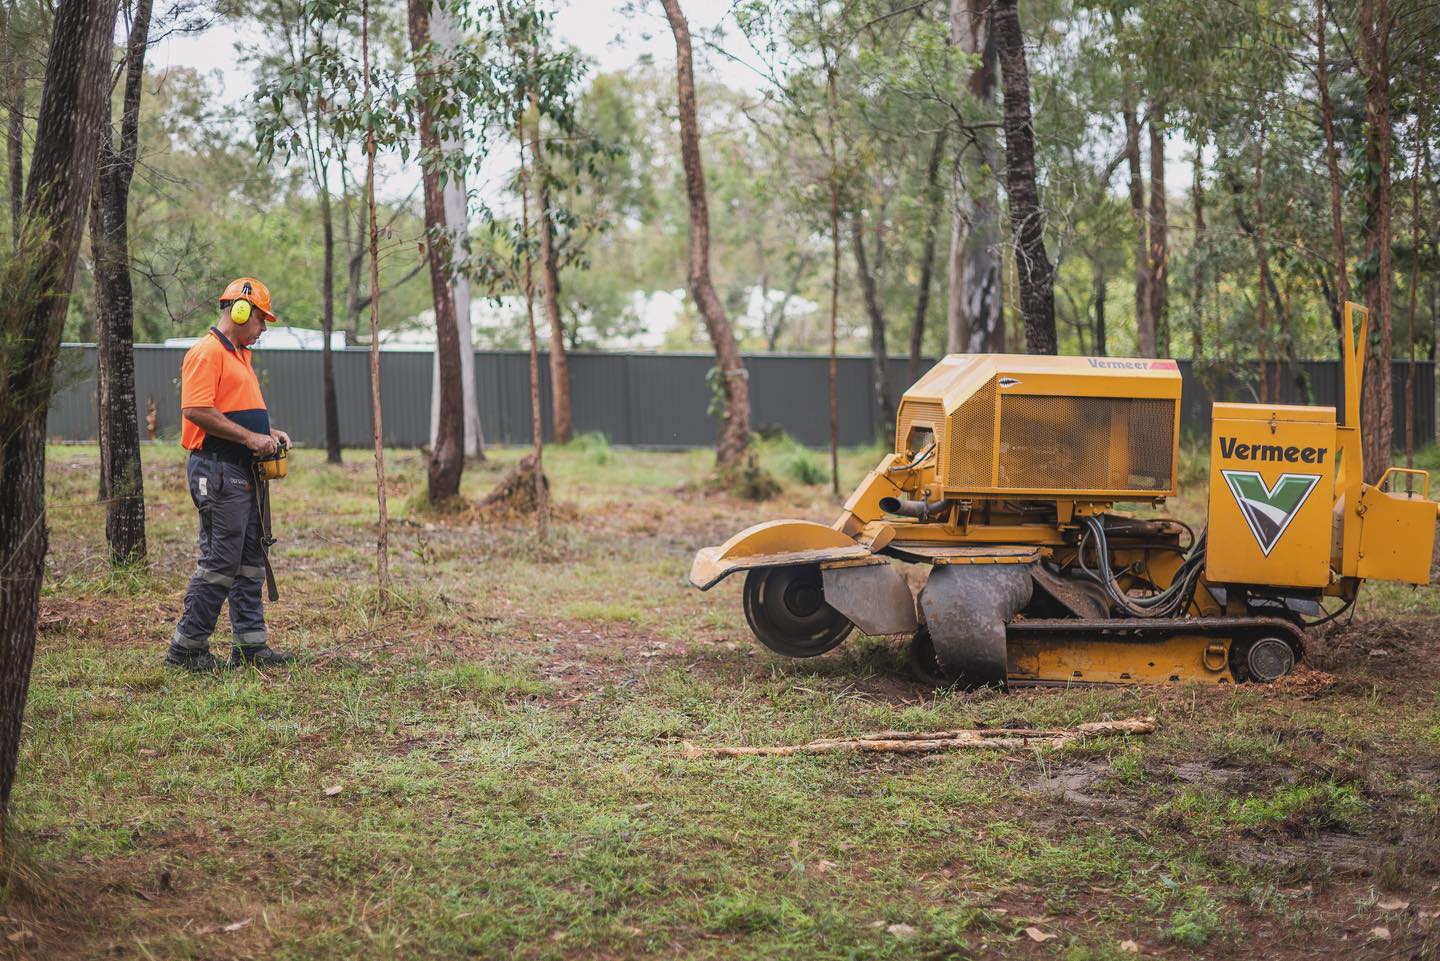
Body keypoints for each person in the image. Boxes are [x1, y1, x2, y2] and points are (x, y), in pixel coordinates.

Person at [166, 278, 295, 672]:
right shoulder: (207, 352)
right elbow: (196, 410)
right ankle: (186, 650)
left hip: (243, 471)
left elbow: (233, 411)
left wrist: (267, 433)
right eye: (261, 319)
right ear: (240, 311)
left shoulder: (239, 356)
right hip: (218, 469)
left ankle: (250, 647)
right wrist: (249, 438)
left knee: (250, 559)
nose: (264, 328)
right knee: (220, 561)